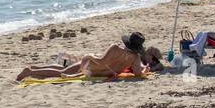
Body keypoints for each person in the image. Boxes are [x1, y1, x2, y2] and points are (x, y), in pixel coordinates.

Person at [16, 32, 151, 82]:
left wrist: (89, 55)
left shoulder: (115, 48)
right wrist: (146, 68)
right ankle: (35, 68)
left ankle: (31, 71)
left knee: (63, 71)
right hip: (97, 73)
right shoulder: (135, 58)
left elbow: (100, 60)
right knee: (68, 69)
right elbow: (138, 73)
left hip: (91, 67)